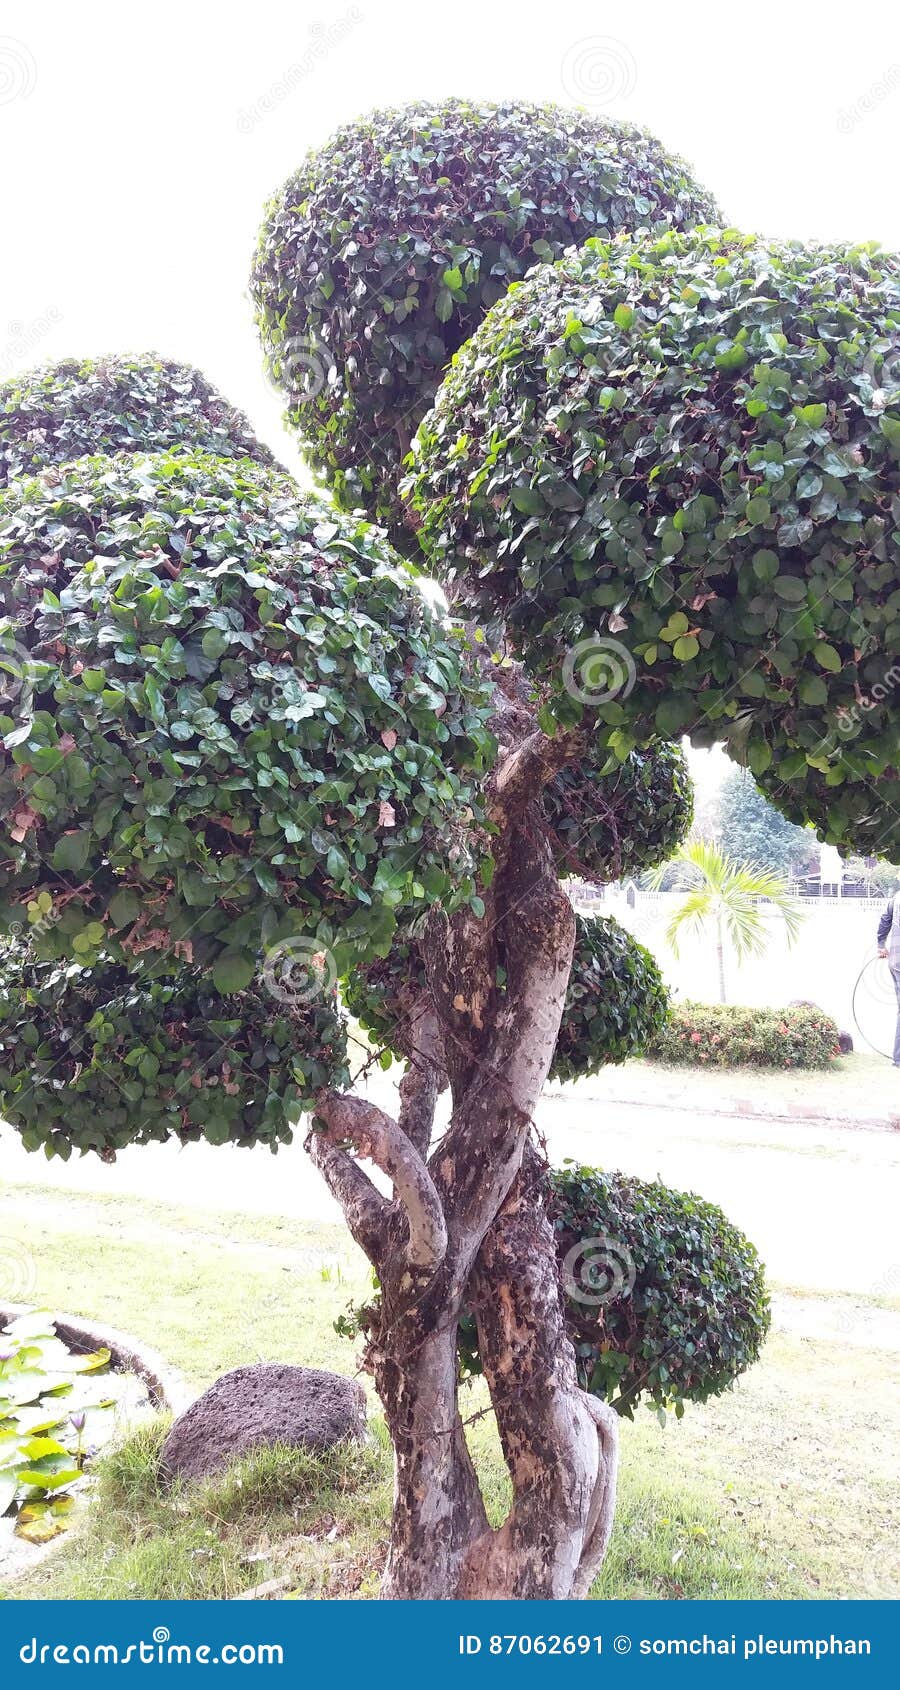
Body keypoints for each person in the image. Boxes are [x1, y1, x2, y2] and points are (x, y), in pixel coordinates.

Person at [876, 889, 900, 1067]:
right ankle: (898, 1058)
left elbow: (885, 920)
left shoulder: (897, 897)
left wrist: (880, 944)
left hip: (895, 960)